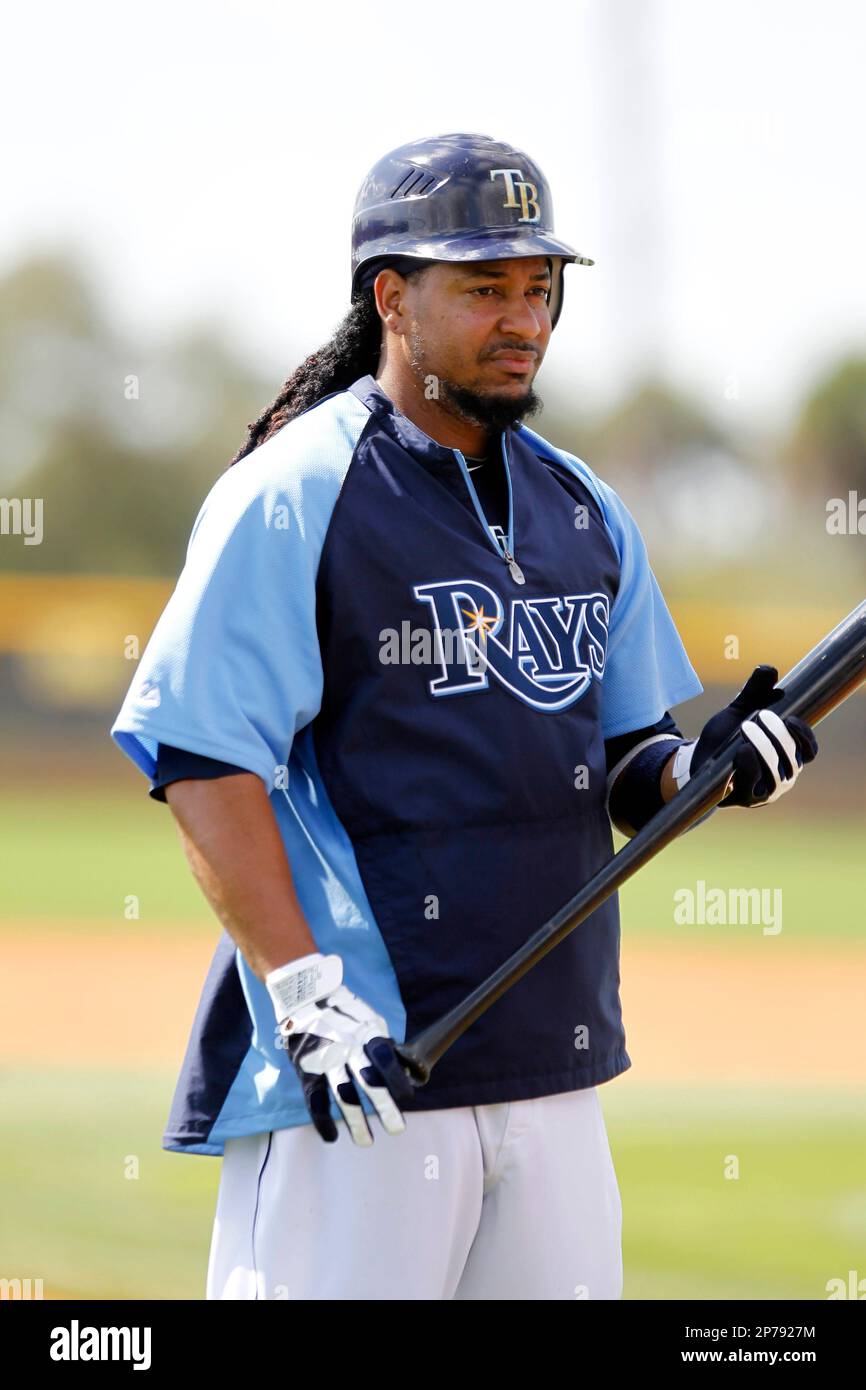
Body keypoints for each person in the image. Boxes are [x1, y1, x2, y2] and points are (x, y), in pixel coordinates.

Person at [111, 133, 818, 1301]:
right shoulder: (293, 493)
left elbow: (624, 757)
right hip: (367, 1069)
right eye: (484, 287)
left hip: (552, 1057)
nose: (522, 317)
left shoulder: (582, 507)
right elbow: (202, 757)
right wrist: (299, 992)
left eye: (537, 287)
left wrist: (711, 765)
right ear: (390, 297)